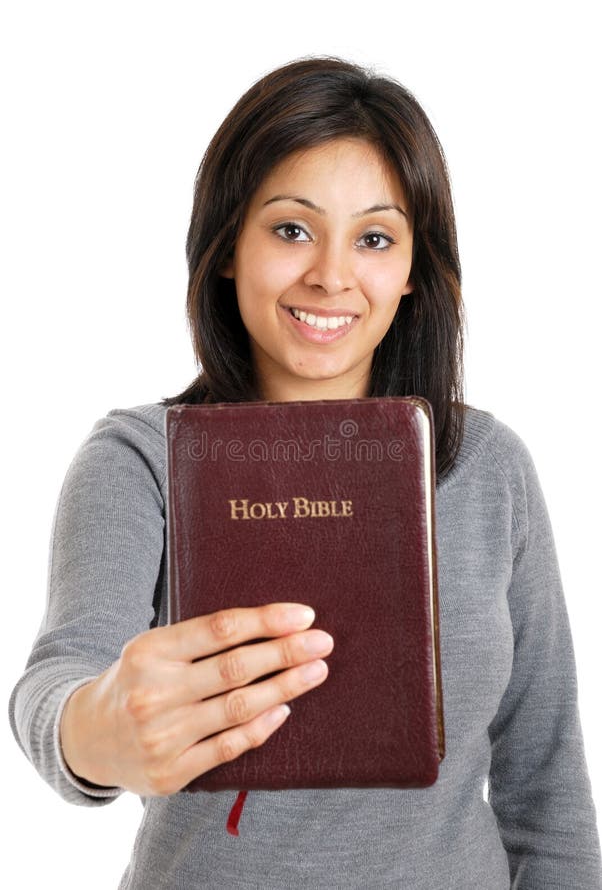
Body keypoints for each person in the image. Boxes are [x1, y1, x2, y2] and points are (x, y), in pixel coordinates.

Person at [8, 54, 602, 889]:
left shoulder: (488, 467)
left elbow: (547, 773)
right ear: (226, 248)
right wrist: (91, 732)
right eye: (291, 228)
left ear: (410, 276)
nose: (331, 273)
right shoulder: (140, 458)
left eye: (374, 238)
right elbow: (60, 677)